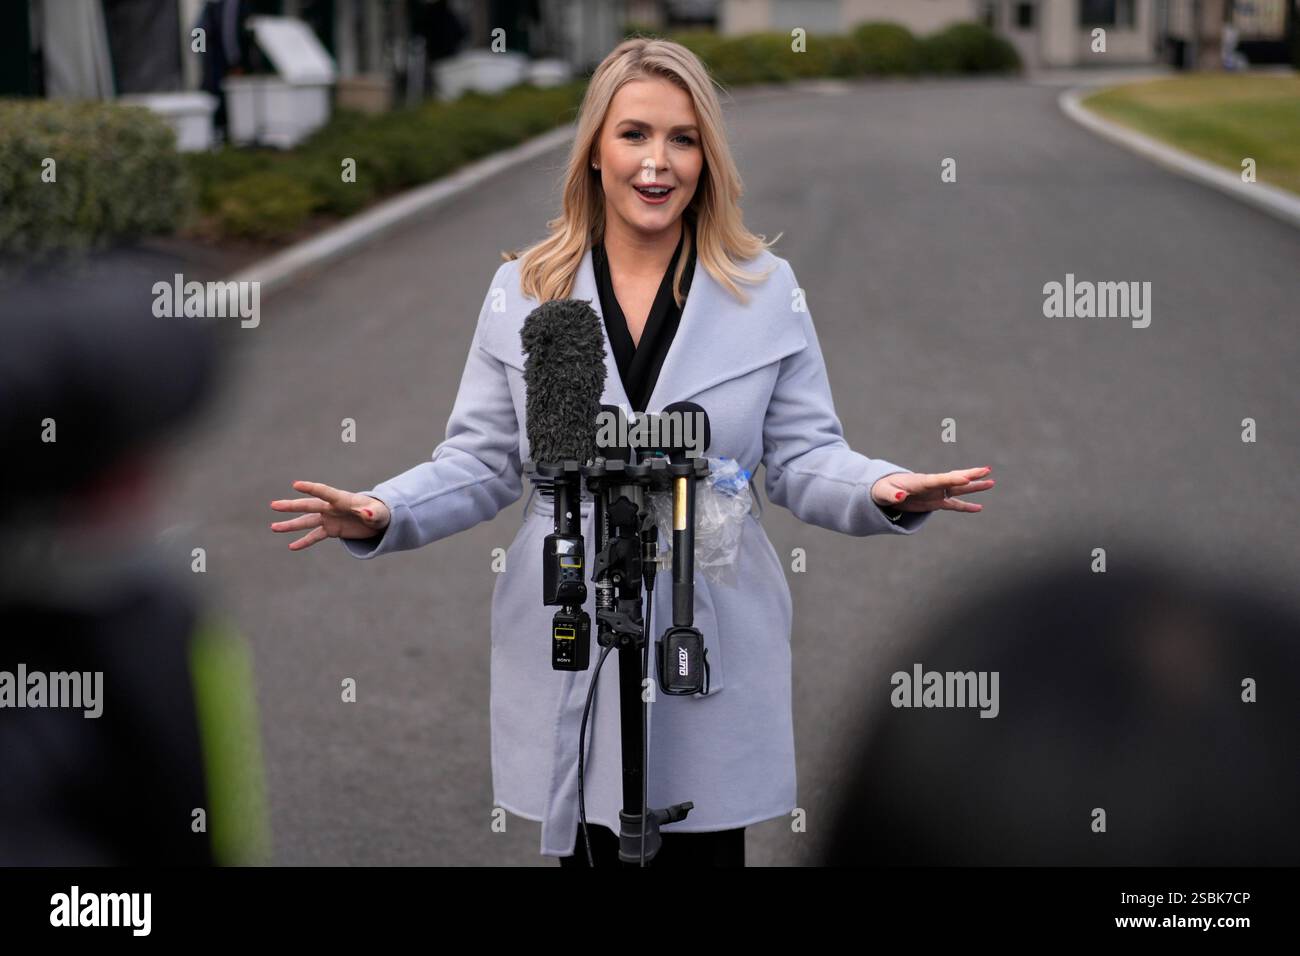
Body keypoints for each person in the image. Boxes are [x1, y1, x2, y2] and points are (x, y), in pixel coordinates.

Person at [270, 38, 995, 865]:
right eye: (635, 135)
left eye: (683, 139)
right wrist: (382, 510)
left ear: (708, 157)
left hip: (705, 614)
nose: (658, 163)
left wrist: (885, 488)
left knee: (701, 851)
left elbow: (800, 457)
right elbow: (482, 460)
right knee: (588, 843)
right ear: (594, 154)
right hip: (573, 611)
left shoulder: (764, 290)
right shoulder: (526, 292)